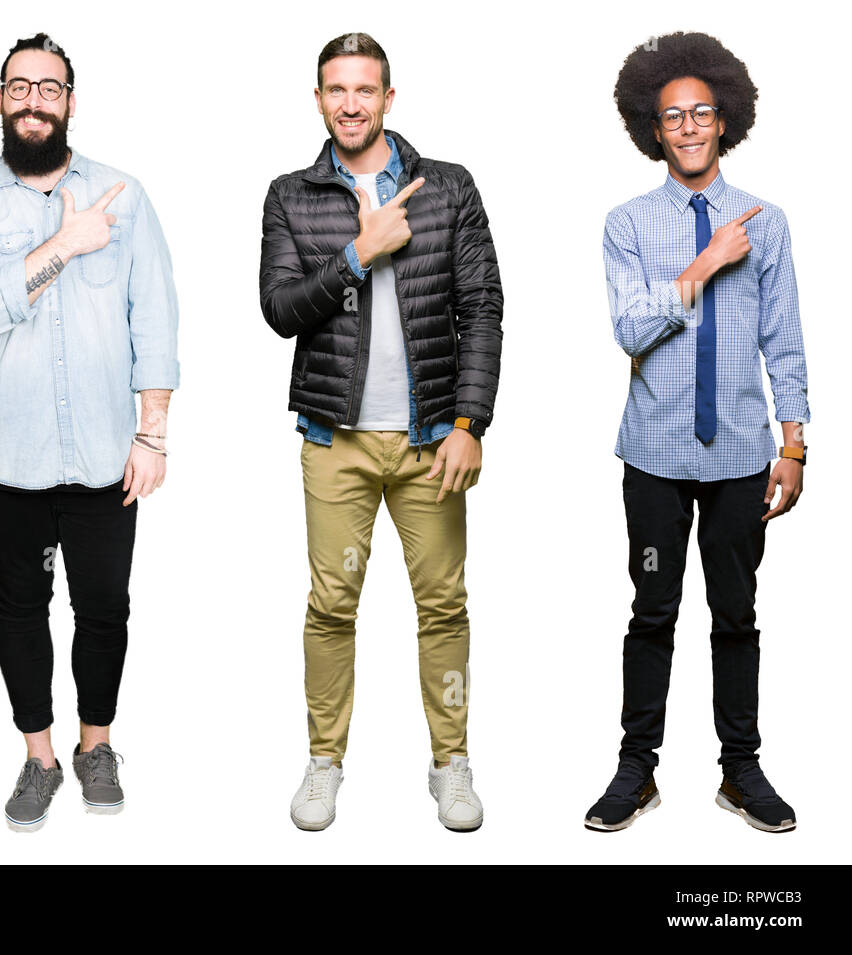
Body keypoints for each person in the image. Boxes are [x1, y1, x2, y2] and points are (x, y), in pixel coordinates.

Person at [259, 32, 504, 832]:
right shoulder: (292, 196)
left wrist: (470, 422)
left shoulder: (449, 188)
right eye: (337, 89)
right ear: (319, 99)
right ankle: (324, 761)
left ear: (389, 98)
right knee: (332, 605)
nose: (352, 103)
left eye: (366, 89)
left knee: (443, 604)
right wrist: (358, 253)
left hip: (433, 437)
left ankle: (452, 761)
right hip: (337, 441)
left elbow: (484, 309)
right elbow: (280, 310)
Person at [0, 33, 179, 832]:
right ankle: (40, 756)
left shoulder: (124, 194)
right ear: (1, 99)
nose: (33, 99)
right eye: (19, 86)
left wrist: (154, 434)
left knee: (105, 605)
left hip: (111, 455)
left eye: (49, 87)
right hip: (9, 456)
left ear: (71, 101)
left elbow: (157, 318)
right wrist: (65, 246)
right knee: (22, 602)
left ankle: (96, 746)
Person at [586, 31, 808, 834]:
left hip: (745, 455)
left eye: (700, 112)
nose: (686, 126)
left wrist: (795, 442)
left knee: (737, 615)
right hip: (654, 455)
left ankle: (741, 770)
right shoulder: (629, 224)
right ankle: (636, 767)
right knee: (652, 611)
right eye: (670, 115)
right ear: (653, 126)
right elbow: (631, 328)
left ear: (724, 121)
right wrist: (707, 261)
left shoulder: (768, 223)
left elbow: (783, 339)